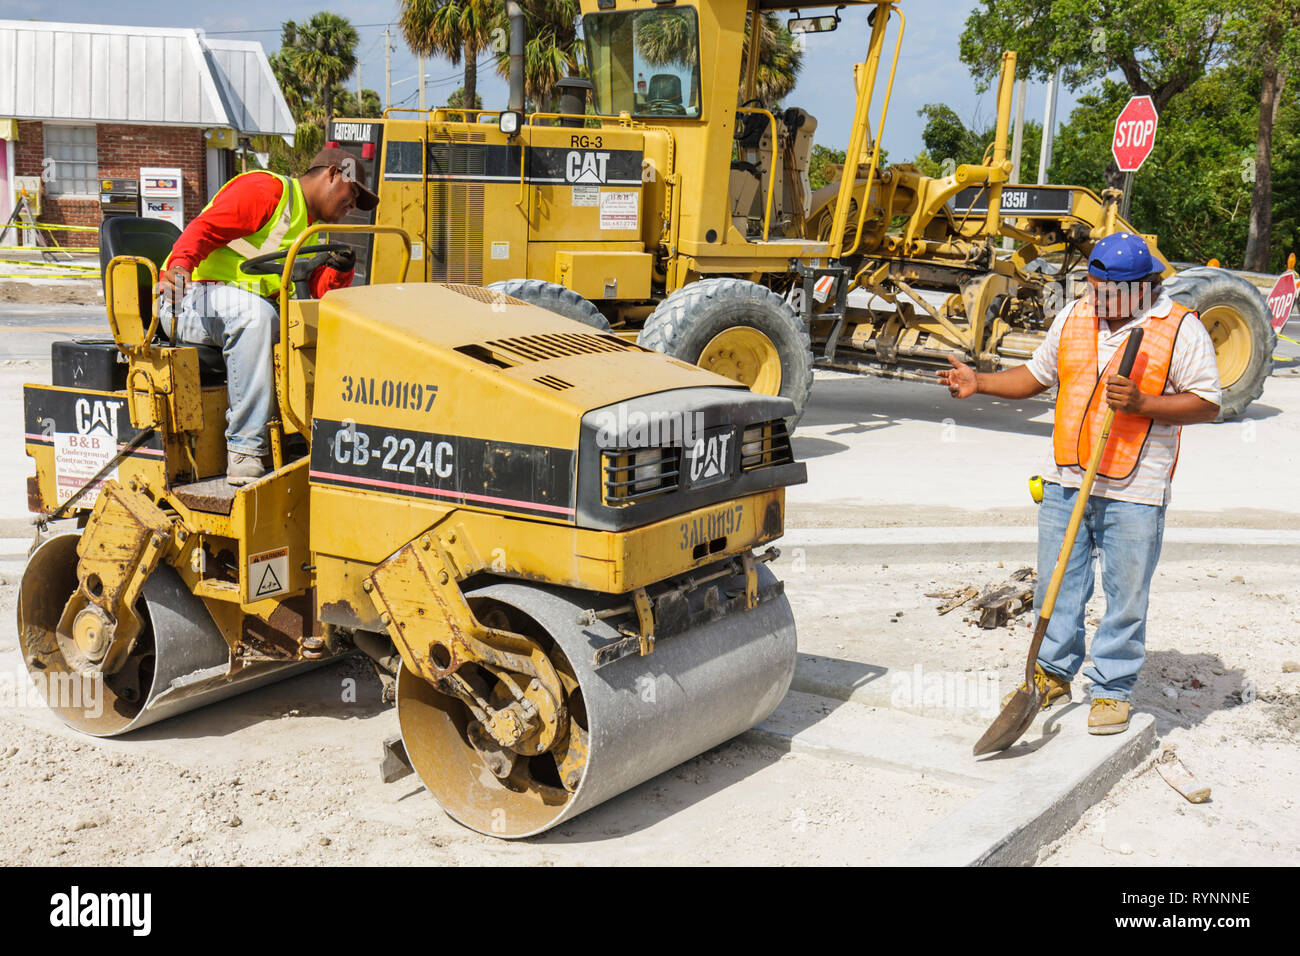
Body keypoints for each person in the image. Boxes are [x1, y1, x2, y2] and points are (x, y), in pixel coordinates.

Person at [937, 232, 1221, 735]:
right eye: (1093, 287)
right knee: (1057, 585)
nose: (1097, 298)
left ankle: (1112, 688)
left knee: (1126, 594)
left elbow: (1207, 403)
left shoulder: (1179, 328)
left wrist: (1143, 404)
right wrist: (981, 381)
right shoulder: (1074, 317)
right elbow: (1035, 375)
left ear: (1141, 288)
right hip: (1067, 478)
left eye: (1107, 291)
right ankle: (1049, 675)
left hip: (1136, 490)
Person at [158, 147, 379, 484]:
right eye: (353, 195)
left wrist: (341, 271)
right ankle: (245, 447)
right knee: (257, 316)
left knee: (320, 322)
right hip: (189, 299)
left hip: (239, 309)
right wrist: (178, 270)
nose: (352, 207)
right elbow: (204, 230)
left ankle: (317, 438)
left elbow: (316, 292)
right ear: (333, 174)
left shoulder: (315, 232)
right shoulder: (267, 191)